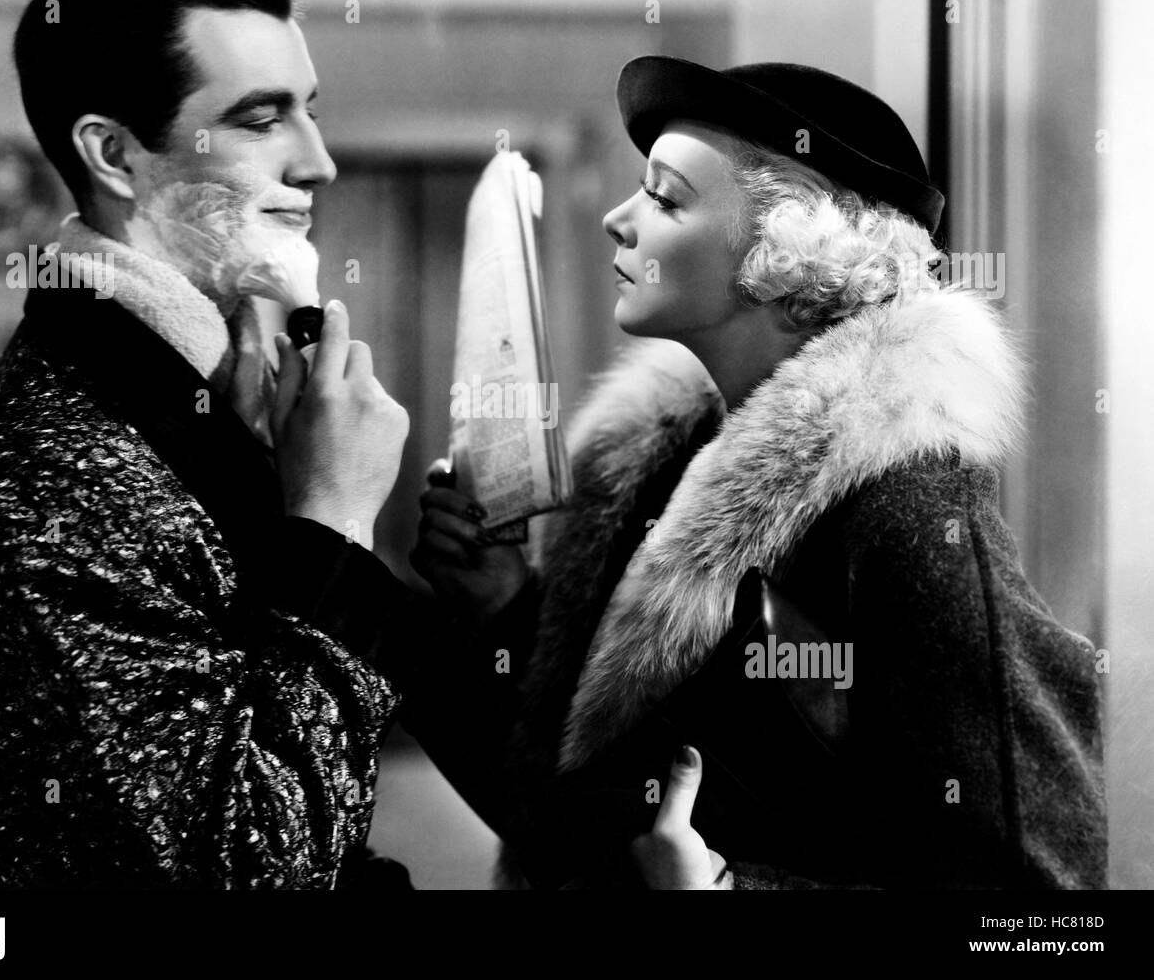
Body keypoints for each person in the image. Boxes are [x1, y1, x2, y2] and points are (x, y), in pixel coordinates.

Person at [406, 57, 1108, 889]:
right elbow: (579, 796)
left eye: (665, 197)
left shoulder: (910, 512)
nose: (616, 219)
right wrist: (505, 607)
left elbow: (1043, 906)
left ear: (789, 256)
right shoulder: (657, 462)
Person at [0, 0, 415, 890]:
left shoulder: (229, 396)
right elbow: (244, 868)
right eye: (261, 118)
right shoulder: (42, 469)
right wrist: (334, 523)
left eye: (312, 112)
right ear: (115, 154)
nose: (321, 161)